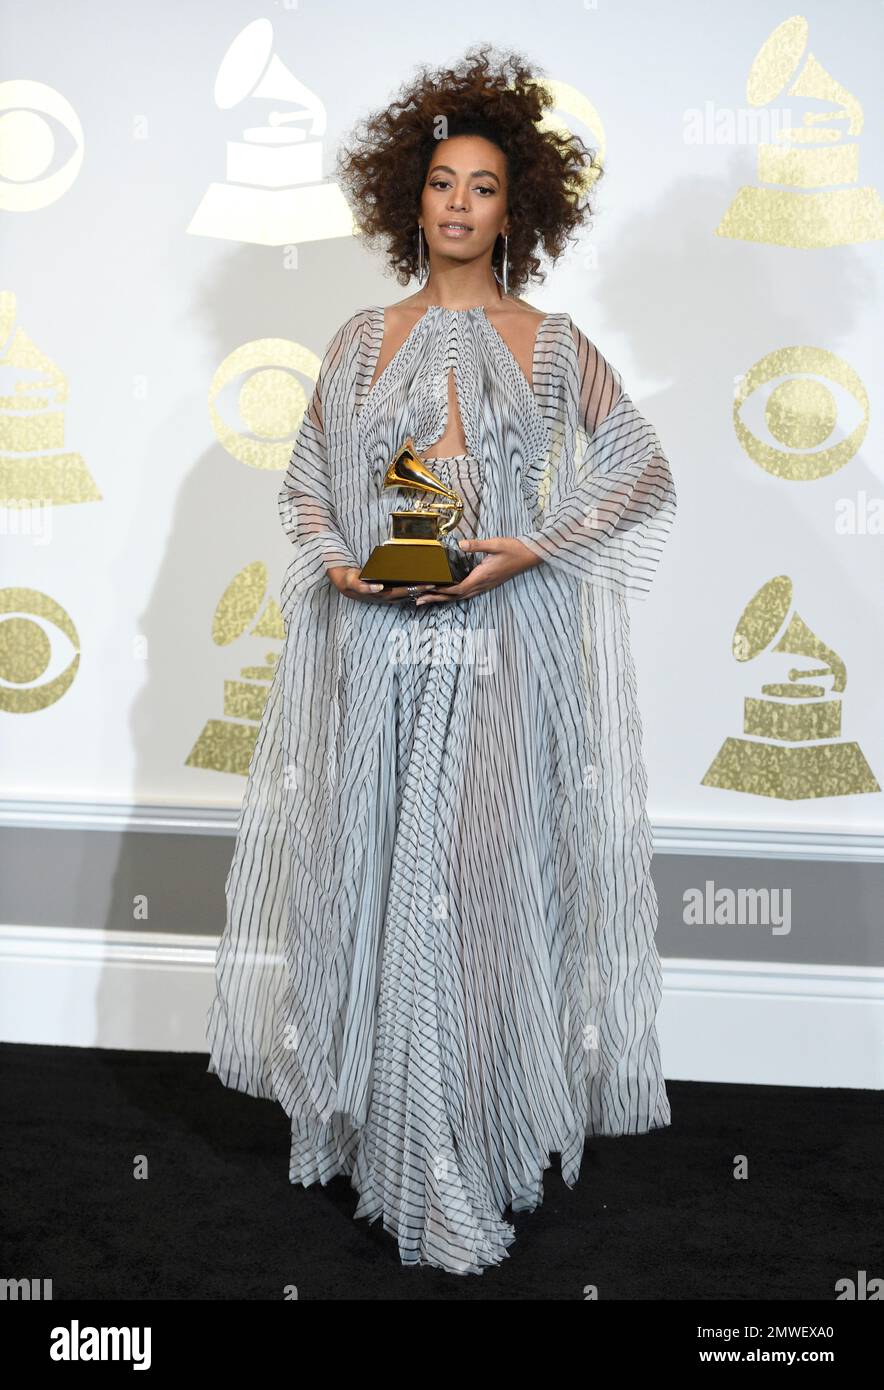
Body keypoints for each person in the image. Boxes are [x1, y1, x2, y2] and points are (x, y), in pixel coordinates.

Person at [206, 44, 677, 1276]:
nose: (457, 203)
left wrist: (527, 548)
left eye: (481, 186)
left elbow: (640, 468)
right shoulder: (362, 337)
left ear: (512, 208)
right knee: (379, 865)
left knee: (478, 878)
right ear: (408, 200)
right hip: (379, 639)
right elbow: (309, 483)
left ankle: (468, 1143)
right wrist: (340, 560)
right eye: (439, 183)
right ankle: (402, 1147)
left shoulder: (549, 340)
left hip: (504, 645)